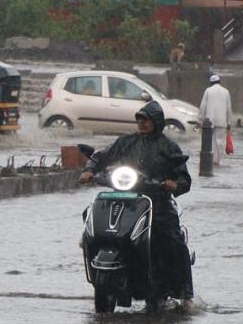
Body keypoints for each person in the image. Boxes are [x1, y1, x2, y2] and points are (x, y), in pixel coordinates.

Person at [79, 101, 194, 308]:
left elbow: (184, 179)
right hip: (125, 197)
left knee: (173, 240)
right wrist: (90, 169)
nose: (141, 123)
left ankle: (185, 292)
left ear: (156, 122)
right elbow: (102, 156)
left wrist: (174, 184)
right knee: (89, 216)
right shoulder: (126, 141)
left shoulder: (168, 147)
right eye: (139, 119)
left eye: (146, 120)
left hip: (156, 201)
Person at [198, 73, 233, 166]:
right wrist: (229, 121)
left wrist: (200, 119)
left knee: (211, 141)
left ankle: (212, 160)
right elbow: (229, 108)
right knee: (220, 142)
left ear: (211, 83)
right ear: (219, 82)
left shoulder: (208, 91)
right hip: (222, 121)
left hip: (210, 121)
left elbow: (203, 106)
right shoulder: (226, 92)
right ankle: (218, 160)